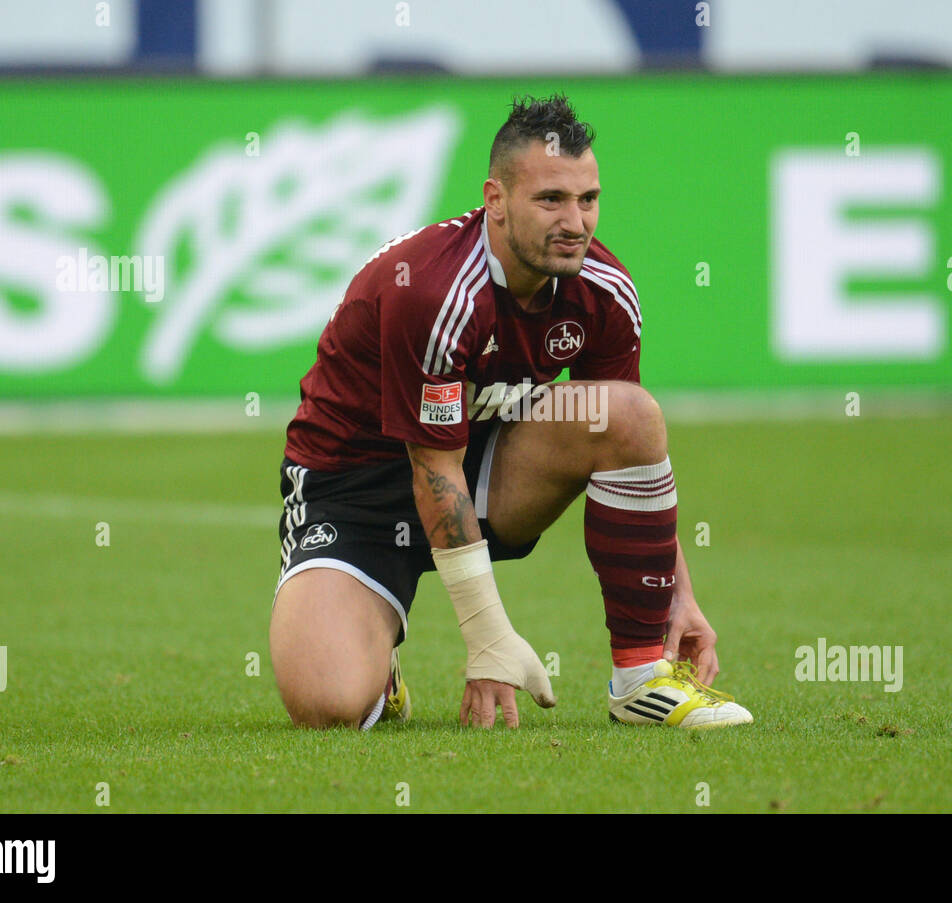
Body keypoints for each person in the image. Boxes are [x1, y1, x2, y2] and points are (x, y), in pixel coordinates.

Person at [269, 93, 752, 730]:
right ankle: (372, 662)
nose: (576, 222)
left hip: (485, 466)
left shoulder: (602, 291)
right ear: (495, 201)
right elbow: (431, 470)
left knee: (628, 412)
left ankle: (640, 679)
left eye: (588, 199)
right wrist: (488, 641)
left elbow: (632, 442)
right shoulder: (435, 291)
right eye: (550, 199)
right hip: (355, 490)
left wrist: (675, 597)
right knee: (329, 707)